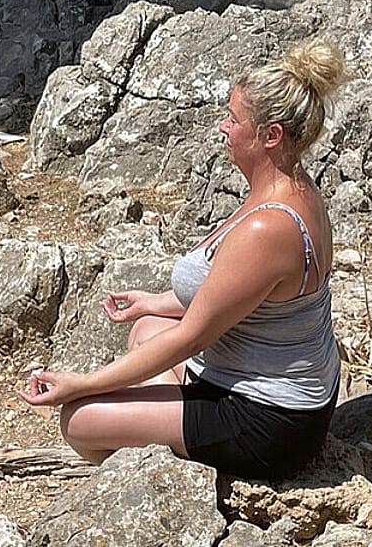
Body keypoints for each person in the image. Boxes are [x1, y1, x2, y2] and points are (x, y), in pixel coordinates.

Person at [19, 37, 346, 479]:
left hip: (269, 420)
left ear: (270, 136)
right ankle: (171, 441)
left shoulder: (269, 227)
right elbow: (239, 294)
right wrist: (154, 302)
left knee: (79, 419)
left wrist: (83, 383)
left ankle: (177, 481)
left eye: (233, 119)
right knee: (148, 327)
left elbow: (191, 338)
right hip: (269, 386)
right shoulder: (293, 188)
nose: (222, 128)